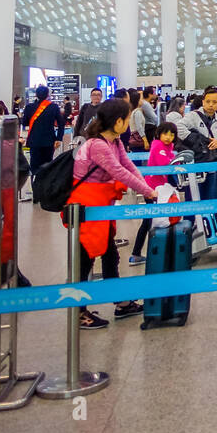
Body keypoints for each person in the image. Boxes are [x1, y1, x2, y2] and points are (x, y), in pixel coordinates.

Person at [66, 99, 151, 328]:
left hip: (101, 205)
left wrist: (146, 189)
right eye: (127, 118)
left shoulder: (114, 142)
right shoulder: (98, 145)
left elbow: (128, 166)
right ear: (119, 121)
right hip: (86, 206)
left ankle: (121, 303)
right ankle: (78, 311)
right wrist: (147, 191)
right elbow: (118, 172)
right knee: (85, 258)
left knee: (110, 254)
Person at [130, 122, 179, 266]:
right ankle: (137, 254)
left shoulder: (168, 147)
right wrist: (176, 162)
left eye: (171, 134)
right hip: (153, 190)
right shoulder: (158, 146)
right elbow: (165, 165)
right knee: (150, 220)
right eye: (165, 133)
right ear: (159, 134)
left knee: (152, 220)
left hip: (159, 189)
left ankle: (142, 253)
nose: (168, 137)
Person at [181, 87, 217, 203]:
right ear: (203, 102)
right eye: (208, 101)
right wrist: (197, 140)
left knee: (211, 198)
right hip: (195, 165)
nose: (211, 105)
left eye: (215, 102)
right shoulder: (193, 116)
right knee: (194, 199)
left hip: (212, 165)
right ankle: (192, 221)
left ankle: (209, 220)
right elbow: (178, 128)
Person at [23, 85, 64, 202]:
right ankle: (46, 194)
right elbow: (61, 123)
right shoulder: (53, 107)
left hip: (34, 141)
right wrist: (58, 138)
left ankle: (36, 195)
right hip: (48, 141)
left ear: (36, 94)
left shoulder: (29, 107)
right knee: (47, 166)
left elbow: (25, 122)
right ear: (48, 95)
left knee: (34, 167)